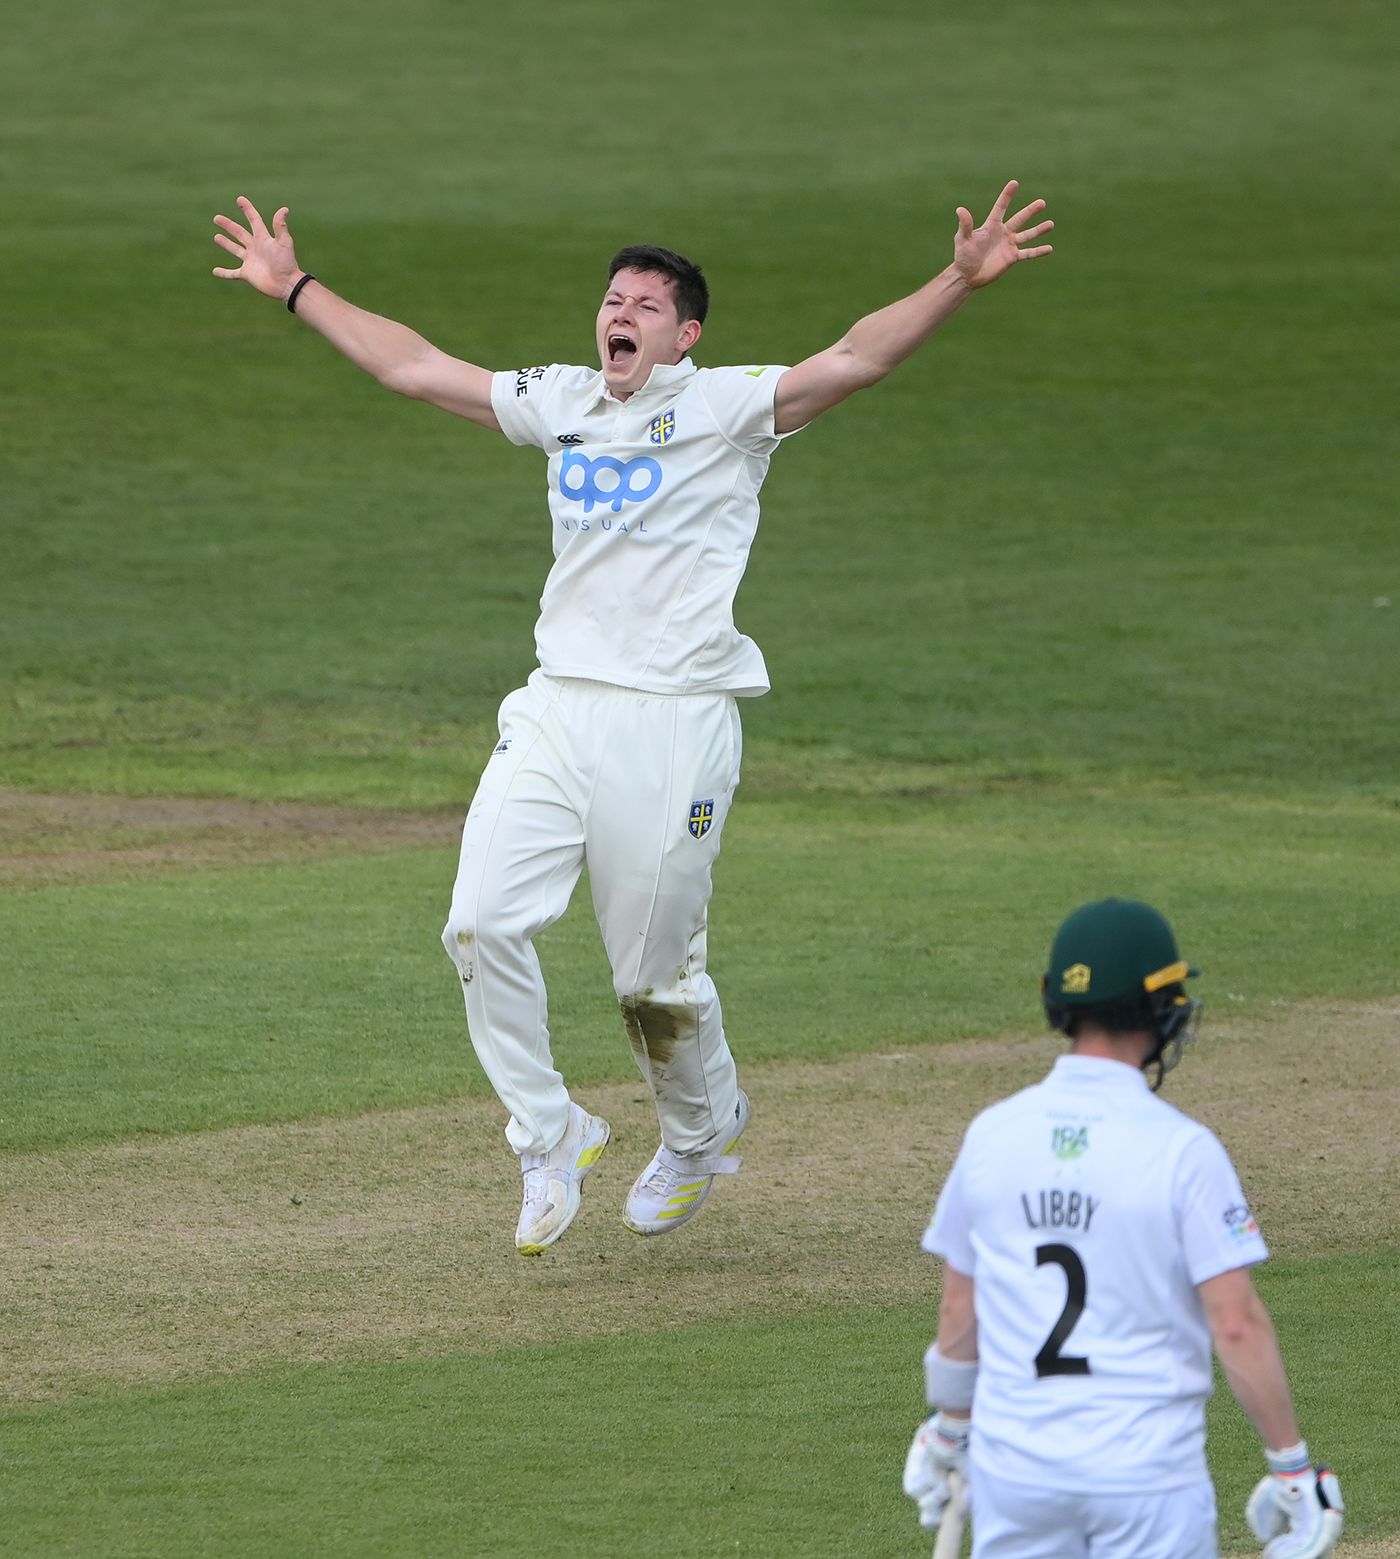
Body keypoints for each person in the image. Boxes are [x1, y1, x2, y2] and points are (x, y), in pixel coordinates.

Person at [211, 183, 1055, 1256]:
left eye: (645, 305)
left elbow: (853, 359)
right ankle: (550, 1128)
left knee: (650, 982)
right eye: (613, 297)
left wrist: (954, 278)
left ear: (684, 333)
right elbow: (411, 366)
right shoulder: (561, 399)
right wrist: (295, 289)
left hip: (675, 720)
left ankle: (701, 1134)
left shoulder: (726, 409)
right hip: (558, 707)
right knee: (477, 924)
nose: (620, 313)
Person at [903, 898, 1345, 1558]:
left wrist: (948, 1425)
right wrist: (1291, 1468)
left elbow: (958, 1310)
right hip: (1145, 1480)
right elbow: (1235, 1322)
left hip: (1019, 1473)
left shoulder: (992, 1135)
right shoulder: (1183, 1150)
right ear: (1160, 1006)